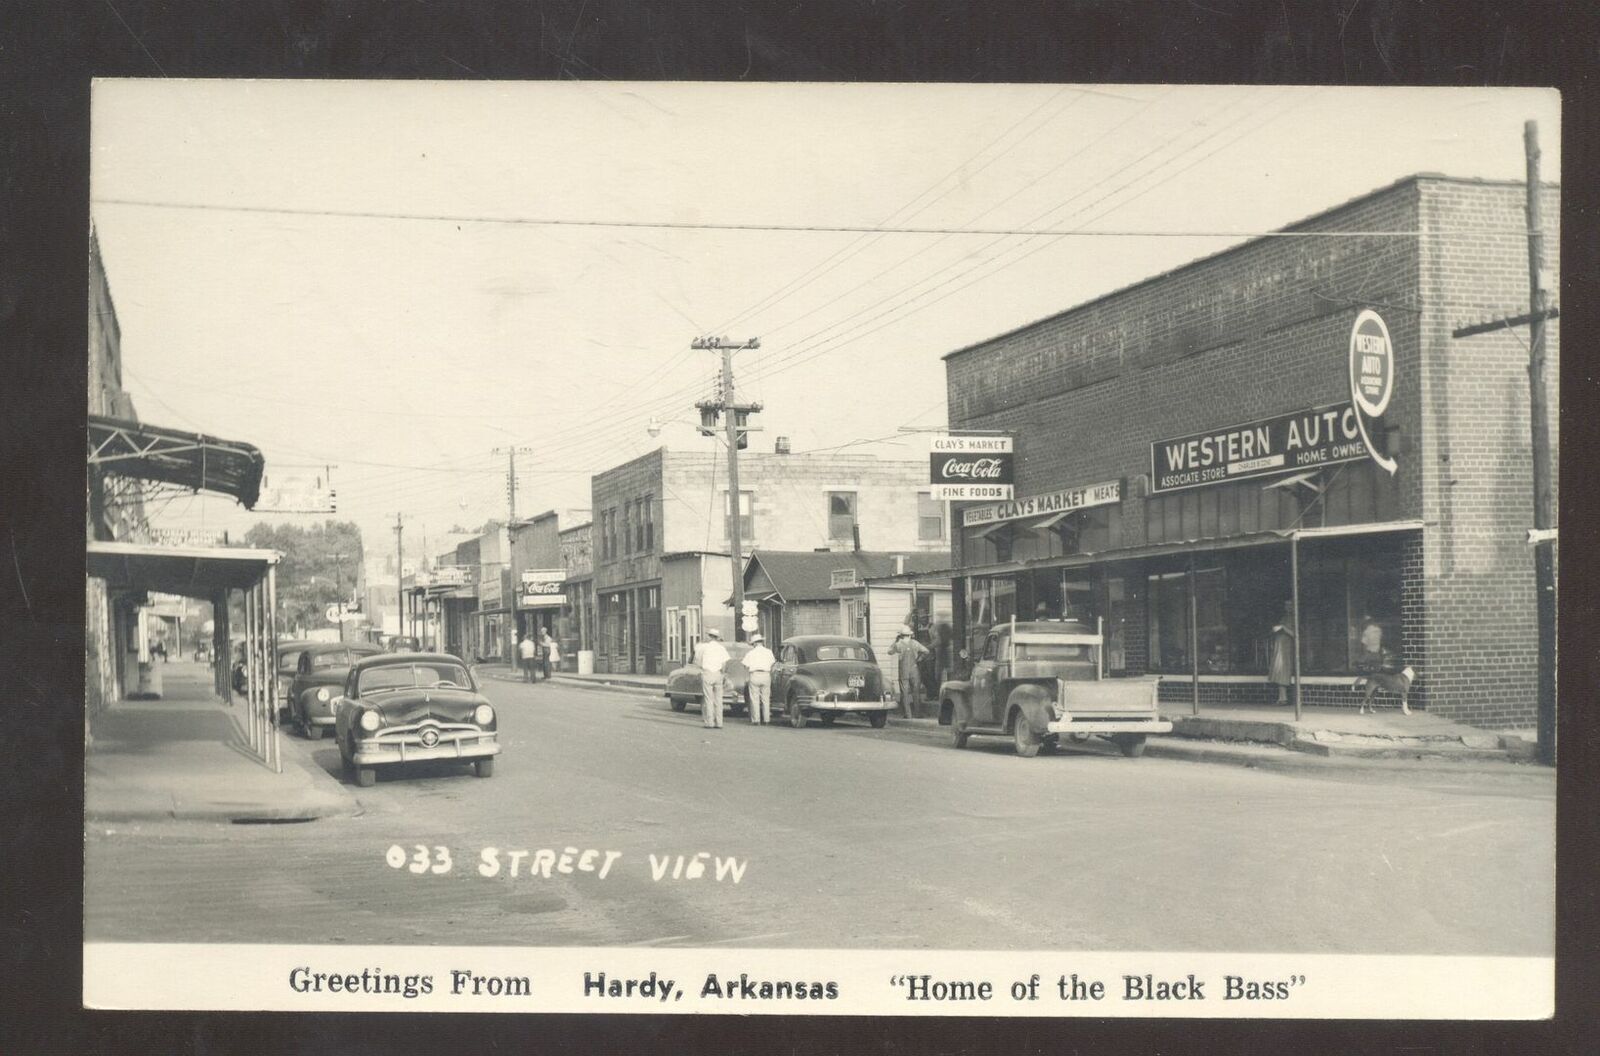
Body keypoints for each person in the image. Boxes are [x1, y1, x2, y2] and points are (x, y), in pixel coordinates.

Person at [692, 628, 730, 729]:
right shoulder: (721, 648)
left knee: (708, 699)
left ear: (709, 636)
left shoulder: (703, 648)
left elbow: (697, 662)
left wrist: (703, 668)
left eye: (707, 635)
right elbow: (724, 663)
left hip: (707, 673)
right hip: (718, 674)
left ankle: (710, 722)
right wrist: (722, 673)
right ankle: (719, 722)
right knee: (718, 699)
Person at [889, 629, 930, 718]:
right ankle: (918, 713)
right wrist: (920, 658)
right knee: (916, 691)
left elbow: (890, 651)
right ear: (910, 635)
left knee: (905, 692)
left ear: (901, 635)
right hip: (914, 669)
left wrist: (895, 641)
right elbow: (926, 651)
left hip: (903, 670)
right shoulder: (915, 643)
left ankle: (908, 714)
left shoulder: (899, 644)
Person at [743, 632, 776, 725]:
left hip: (754, 675)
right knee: (765, 699)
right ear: (761, 642)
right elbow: (772, 663)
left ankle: (756, 719)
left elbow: (745, 665)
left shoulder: (750, 653)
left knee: (754, 698)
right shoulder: (769, 652)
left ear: (755, 643)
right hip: (766, 674)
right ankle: (766, 719)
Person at [1267, 601, 1296, 705]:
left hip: (1286, 648)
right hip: (1279, 647)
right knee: (1278, 670)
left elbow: (1295, 634)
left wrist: (1283, 628)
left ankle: (1283, 698)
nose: (1287, 607)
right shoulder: (1284, 617)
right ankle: (1281, 697)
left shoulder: (1294, 618)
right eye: (1286, 605)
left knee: (1283, 670)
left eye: (1290, 605)